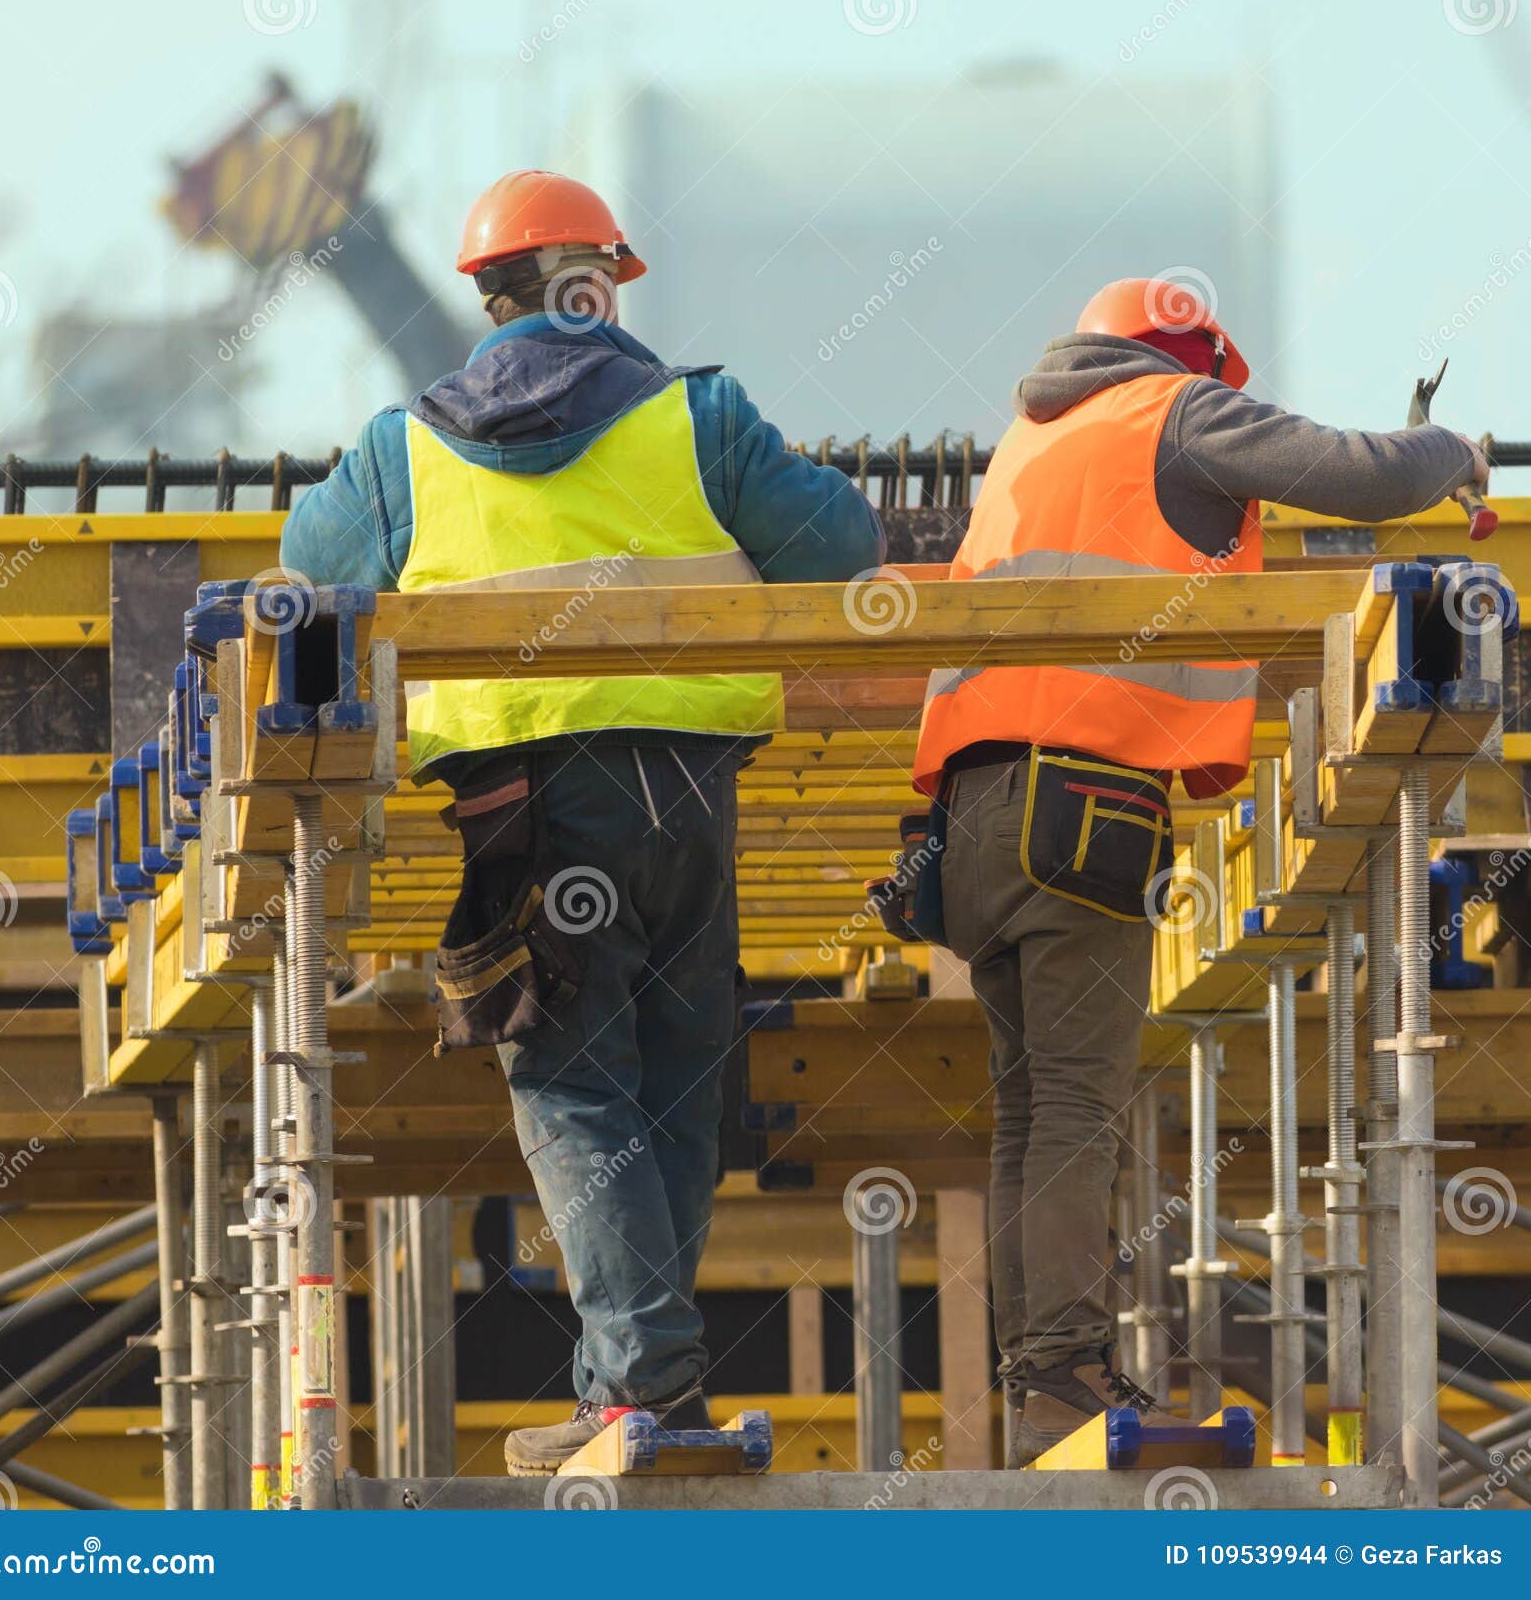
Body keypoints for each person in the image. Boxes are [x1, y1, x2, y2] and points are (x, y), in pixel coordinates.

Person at [281, 169, 883, 1474]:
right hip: (685, 798)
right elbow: (840, 546)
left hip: (524, 814)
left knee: (569, 1086)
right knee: (673, 1084)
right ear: (597, 284)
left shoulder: (406, 449)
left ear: (486, 295)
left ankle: (644, 1383)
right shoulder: (697, 416)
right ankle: (634, 1378)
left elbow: (306, 564)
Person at [912, 275, 1487, 1466]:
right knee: (1074, 1106)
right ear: (1185, 357)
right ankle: (1062, 1372)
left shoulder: (1029, 441)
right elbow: (1358, 471)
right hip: (1077, 807)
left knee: (1031, 1108)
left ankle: (1040, 1375)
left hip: (969, 818)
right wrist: (1451, 451)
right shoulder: (1166, 410)